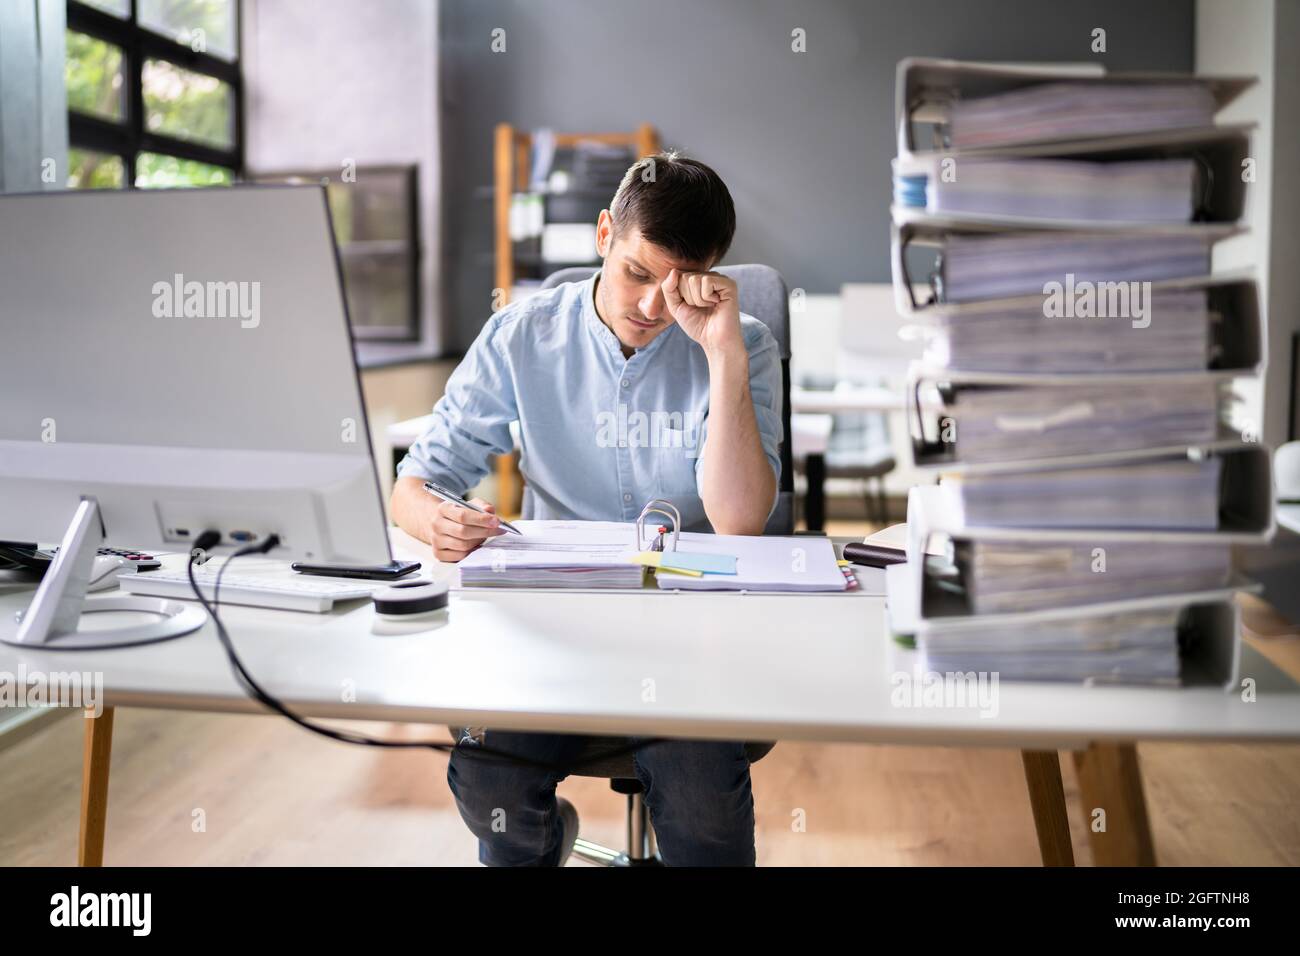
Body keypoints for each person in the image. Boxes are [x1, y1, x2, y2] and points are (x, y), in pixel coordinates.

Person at [391, 153, 782, 866]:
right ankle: (545, 839)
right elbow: (416, 482)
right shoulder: (523, 334)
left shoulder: (745, 344)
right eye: (637, 273)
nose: (651, 308)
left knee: (703, 810)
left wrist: (721, 355)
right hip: (550, 625)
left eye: (678, 286)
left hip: (690, 635)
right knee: (492, 789)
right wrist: (436, 520)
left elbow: (740, 522)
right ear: (604, 235)